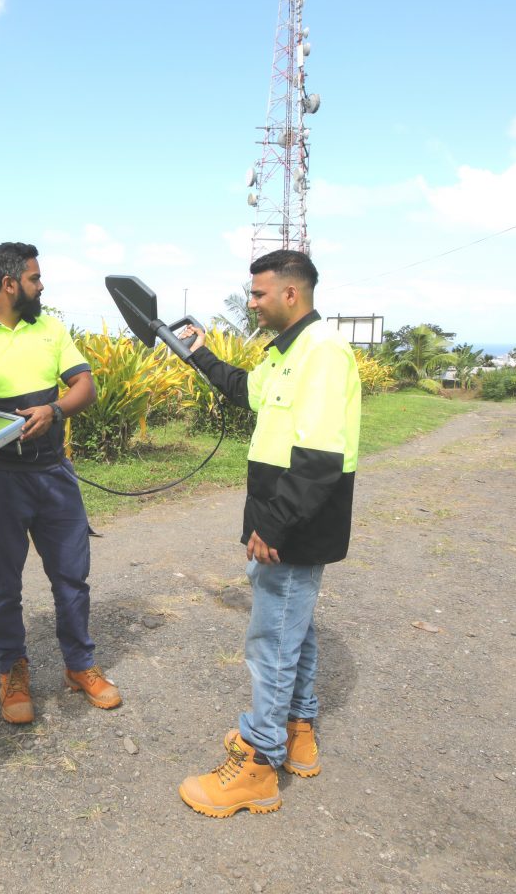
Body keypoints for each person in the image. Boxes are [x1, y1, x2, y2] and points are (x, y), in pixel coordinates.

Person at [174, 249, 361, 818]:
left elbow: (321, 456)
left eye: (257, 294)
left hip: (293, 521)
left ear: (290, 294)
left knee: (272, 639)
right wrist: (198, 355)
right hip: (286, 515)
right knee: (294, 632)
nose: (250, 303)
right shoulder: (286, 353)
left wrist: (271, 525)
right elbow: (246, 392)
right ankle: (298, 730)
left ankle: (259, 761)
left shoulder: (323, 351)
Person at [0, 242, 118, 726]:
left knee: (71, 577)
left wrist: (56, 408)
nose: (41, 286)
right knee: (3, 583)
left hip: (53, 473)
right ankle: (12, 671)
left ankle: (80, 665)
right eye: (35, 278)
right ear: (9, 284)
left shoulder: (50, 328)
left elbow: (84, 384)